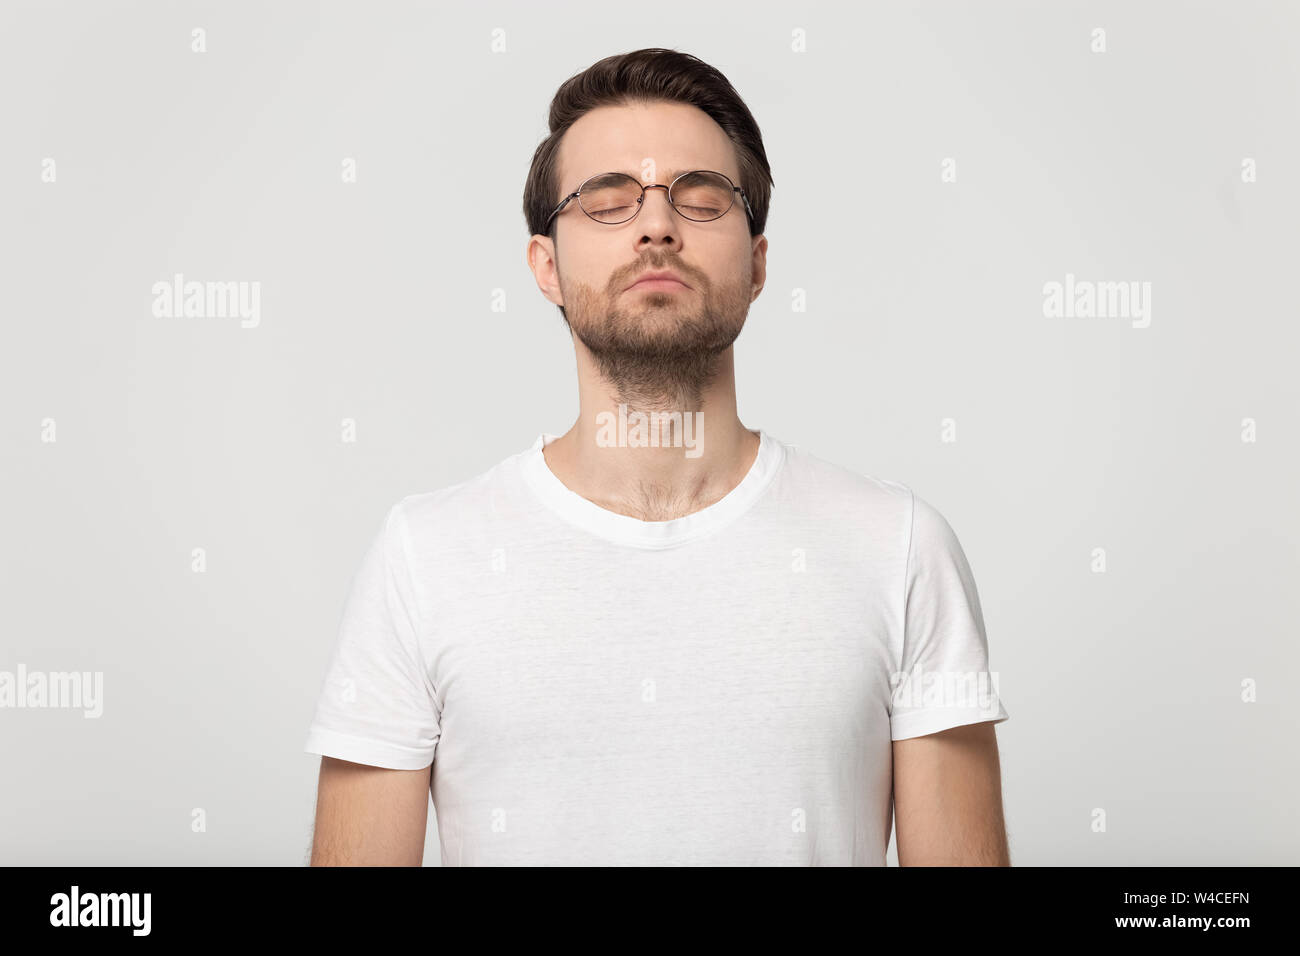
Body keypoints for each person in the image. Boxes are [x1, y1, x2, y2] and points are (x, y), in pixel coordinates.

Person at [304, 48, 1010, 866]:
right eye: (606, 202)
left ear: (756, 263)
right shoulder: (424, 556)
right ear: (546, 267)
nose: (656, 224)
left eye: (702, 199)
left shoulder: (899, 547)